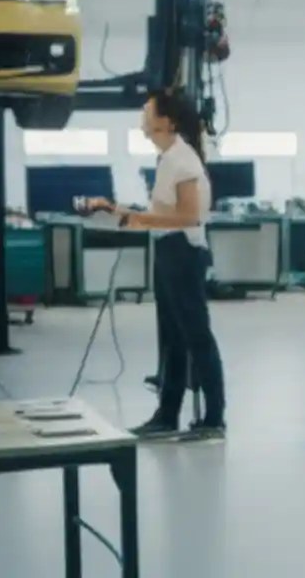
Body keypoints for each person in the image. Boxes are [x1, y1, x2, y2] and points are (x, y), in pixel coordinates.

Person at [88, 91, 226, 439]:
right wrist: (119, 211)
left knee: (196, 337)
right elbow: (166, 214)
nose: (143, 113)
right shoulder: (168, 159)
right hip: (169, 251)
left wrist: (134, 218)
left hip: (183, 253)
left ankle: (213, 420)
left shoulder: (183, 160)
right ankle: (167, 415)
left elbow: (189, 216)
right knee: (172, 340)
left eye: (148, 110)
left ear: (166, 122)